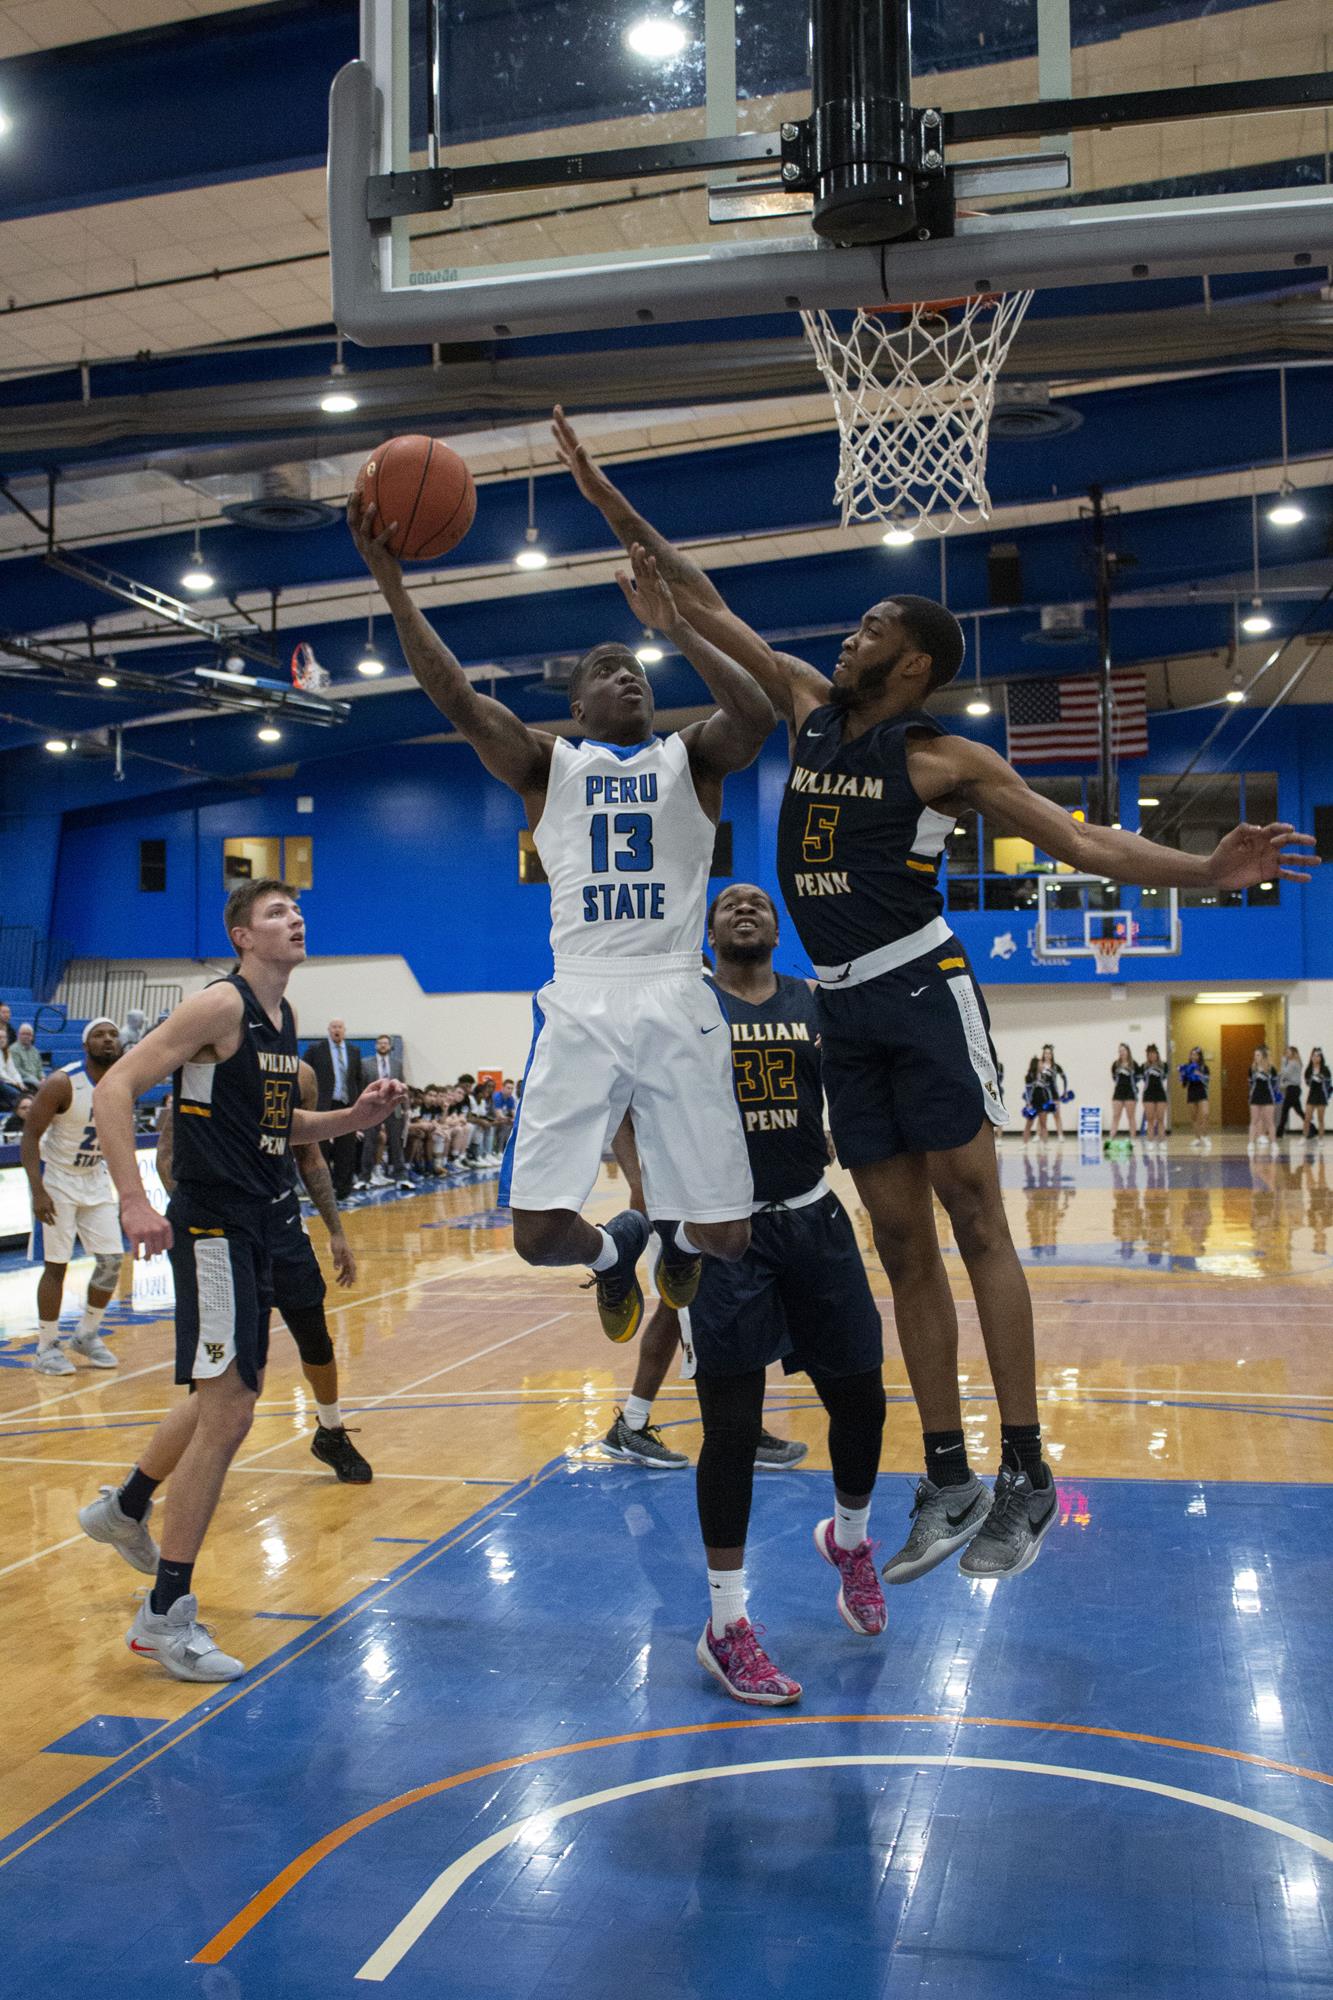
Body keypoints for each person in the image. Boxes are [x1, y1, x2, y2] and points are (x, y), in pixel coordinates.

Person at [554, 404, 1319, 1579]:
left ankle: (1025, 1465)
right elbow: (707, 601)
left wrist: (1208, 872)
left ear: (910, 660)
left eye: (869, 627)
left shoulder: (942, 761)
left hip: (921, 988)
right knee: (899, 1239)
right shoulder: (809, 714)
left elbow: (1084, 844)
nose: (849, 635)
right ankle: (948, 1473)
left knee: (972, 1218)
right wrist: (608, 496)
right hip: (841, 1007)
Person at [348, 492, 775, 1344]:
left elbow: (759, 715)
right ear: (576, 707)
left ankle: (676, 1243)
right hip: (581, 998)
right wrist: (394, 587)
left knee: (726, 1237)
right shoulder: (549, 765)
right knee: (538, 1237)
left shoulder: (688, 757)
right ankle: (616, 1257)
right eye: (608, 672)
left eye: (639, 669)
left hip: (673, 992)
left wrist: (681, 628)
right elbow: (460, 701)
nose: (630, 677)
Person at [80, 879, 403, 1681]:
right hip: (215, 1222)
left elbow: (273, 1124)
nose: (294, 919)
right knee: (229, 1412)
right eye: (274, 913)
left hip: (261, 1217)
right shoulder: (217, 1006)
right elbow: (117, 1085)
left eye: (297, 910)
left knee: (215, 1394)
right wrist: (132, 1199)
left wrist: (352, 1120)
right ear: (241, 937)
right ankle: (164, 1615)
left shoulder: (280, 1019)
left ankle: (124, 1509)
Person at [613, 884, 888, 1704]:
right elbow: (624, 1102)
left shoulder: (814, 1000)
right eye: (728, 902)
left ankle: (849, 1543)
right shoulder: (681, 1005)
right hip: (717, 1232)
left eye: (757, 903)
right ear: (707, 929)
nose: (743, 908)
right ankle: (724, 1625)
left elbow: (852, 1094)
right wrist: (645, 1190)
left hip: (811, 1217)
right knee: (730, 1430)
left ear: (776, 929)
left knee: (863, 1399)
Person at [20, 1018, 127, 1375]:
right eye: (99, 1035)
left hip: (94, 1178)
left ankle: (86, 1334)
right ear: (85, 1045)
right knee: (57, 1264)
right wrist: (37, 1190)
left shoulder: (123, 1080)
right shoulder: (62, 1083)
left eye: (113, 1034)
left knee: (112, 1259)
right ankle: (46, 1346)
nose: (108, 1040)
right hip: (59, 1178)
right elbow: (30, 1136)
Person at [305, 1019, 366, 1199]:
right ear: (328, 1030)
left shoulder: (354, 1051)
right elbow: (305, 1074)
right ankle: (323, 1191)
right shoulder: (316, 1050)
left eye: (340, 1027)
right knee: (321, 1149)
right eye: (333, 1027)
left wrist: (358, 1104)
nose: (337, 1030)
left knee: (346, 1150)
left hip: (347, 1104)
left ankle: (344, 1191)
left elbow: (358, 1079)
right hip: (324, 1104)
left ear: (344, 1030)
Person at [361, 1034, 412, 1189]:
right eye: (380, 1043)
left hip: (394, 1107)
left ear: (390, 1046)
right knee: (369, 1143)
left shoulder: (397, 1064)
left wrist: (406, 1108)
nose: (383, 1046)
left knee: (396, 1143)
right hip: (373, 1108)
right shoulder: (365, 1063)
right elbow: (361, 1087)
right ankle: (365, 1178)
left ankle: (401, 1176)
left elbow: (402, 1087)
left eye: (386, 1043)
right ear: (376, 1045)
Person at [1248, 1044, 1280, 1152]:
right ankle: (1251, 1143)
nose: (1255, 1057)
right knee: (1254, 1120)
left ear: (1263, 1056)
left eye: (1257, 1055)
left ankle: (1274, 1143)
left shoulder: (1271, 1069)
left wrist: (1275, 1095)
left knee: (1269, 1121)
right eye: (1255, 1055)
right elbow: (1251, 1083)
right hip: (1255, 1097)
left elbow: (1275, 1084)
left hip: (1268, 1097)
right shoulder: (1252, 1069)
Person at [1180, 1045, 1211, 1147]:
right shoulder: (1187, 1067)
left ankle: (1205, 1136)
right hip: (1192, 1092)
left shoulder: (1204, 1067)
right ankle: (1197, 1138)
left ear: (1199, 1056)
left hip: (1202, 1092)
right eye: (1192, 1054)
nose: (1193, 1056)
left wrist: (1199, 1074)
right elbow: (1184, 1085)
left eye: (1195, 1054)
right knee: (1194, 1117)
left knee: (1205, 1114)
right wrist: (1184, 1075)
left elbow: (1207, 1080)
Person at [1140, 1043, 1169, 1148]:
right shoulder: (1144, 1066)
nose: (1152, 1056)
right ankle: (1150, 1140)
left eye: (1153, 1053)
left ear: (1157, 1054)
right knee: (1150, 1118)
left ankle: (1162, 1141)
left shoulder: (1163, 1065)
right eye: (1149, 1054)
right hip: (1148, 1094)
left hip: (1160, 1093)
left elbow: (1164, 1077)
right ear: (1147, 1055)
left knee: (1160, 1118)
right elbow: (1143, 1079)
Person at [1110, 1043, 1140, 1139]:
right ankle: (1111, 1137)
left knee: (1131, 1116)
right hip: (1118, 1092)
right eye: (1120, 1051)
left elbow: (1138, 1078)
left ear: (1128, 1051)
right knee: (1116, 1116)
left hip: (1130, 1092)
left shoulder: (1134, 1064)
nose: (1122, 1052)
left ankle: (1133, 1138)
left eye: (1123, 1050)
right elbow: (1115, 1078)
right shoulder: (1116, 1064)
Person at [1022, 1054, 1052, 1144]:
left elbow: (1048, 1087)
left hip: (1042, 1102)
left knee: (1043, 1124)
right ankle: (1024, 1144)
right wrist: (1028, 1103)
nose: (1042, 1065)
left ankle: (1046, 1143)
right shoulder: (1029, 1076)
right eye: (1040, 1063)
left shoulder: (1044, 1075)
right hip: (1033, 1103)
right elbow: (1027, 1091)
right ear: (1036, 1065)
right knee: (1028, 1124)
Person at [1276, 1045, 1305, 1138]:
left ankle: (1279, 1132)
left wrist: (1283, 1062)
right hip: (1293, 1089)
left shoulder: (1292, 1063)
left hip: (1293, 1090)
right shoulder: (1296, 1062)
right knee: (1298, 1110)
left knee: (1285, 1110)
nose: (1286, 1054)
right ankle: (1311, 1128)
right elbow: (1288, 1076)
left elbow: (1285, 1073)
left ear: (1293, 1053)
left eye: (1288, 1052)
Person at [1304, 1047, 1330, 1139]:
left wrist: (1322, 1078)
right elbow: (1307, 1082)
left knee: (1320, 1119)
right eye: (1314, 1056)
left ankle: (1321, 1139)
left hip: (1321, 1096)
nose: (1315, 1058)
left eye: (1318, 1056)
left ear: (1321, 1057)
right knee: (1307, 1118)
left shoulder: (1325, 1069)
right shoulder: (1309, 1069)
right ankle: (1304, 1137)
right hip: (1312, 1095)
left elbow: (1328, 1083)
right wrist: (1312, 1078)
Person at [12, 1021, 44, 1089]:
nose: (26, 1036)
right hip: (23, 1079)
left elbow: (40, 1068)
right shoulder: (13, 1049)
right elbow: (17, 1069)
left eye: (28, 1034)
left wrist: (42, 1078)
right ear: (18, 1035)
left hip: (36, 1079)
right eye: (23, 1034)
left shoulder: (35, 1051)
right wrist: (32, 1077)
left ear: (32, 1037)